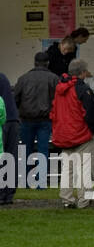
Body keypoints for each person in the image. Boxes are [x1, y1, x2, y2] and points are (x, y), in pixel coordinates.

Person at [51, 60, 94, 209]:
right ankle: (84, 200)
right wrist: (93, 131)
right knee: (85, 168)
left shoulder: (59, 89)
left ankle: (67, 199)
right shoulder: (82, 89)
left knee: (67, 168)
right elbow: (90, 113)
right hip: (82, 134)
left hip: (64, 134)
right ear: (82, 72)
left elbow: (54, 112)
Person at [14, 52, 58, 188]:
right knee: (43, 150)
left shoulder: (23, 79)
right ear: (48, 63)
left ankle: (25, 181)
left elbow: (15, 99)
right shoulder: (53, 78)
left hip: (26, 119)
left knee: (25, 150)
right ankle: (40, 182)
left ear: (34, 62)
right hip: (45, 120)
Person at [0, 70, 19, 204]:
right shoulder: (3, 77)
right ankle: (8, 193)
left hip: (3, 121)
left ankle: (2, 193)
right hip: (13, 119)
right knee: (10, 158)